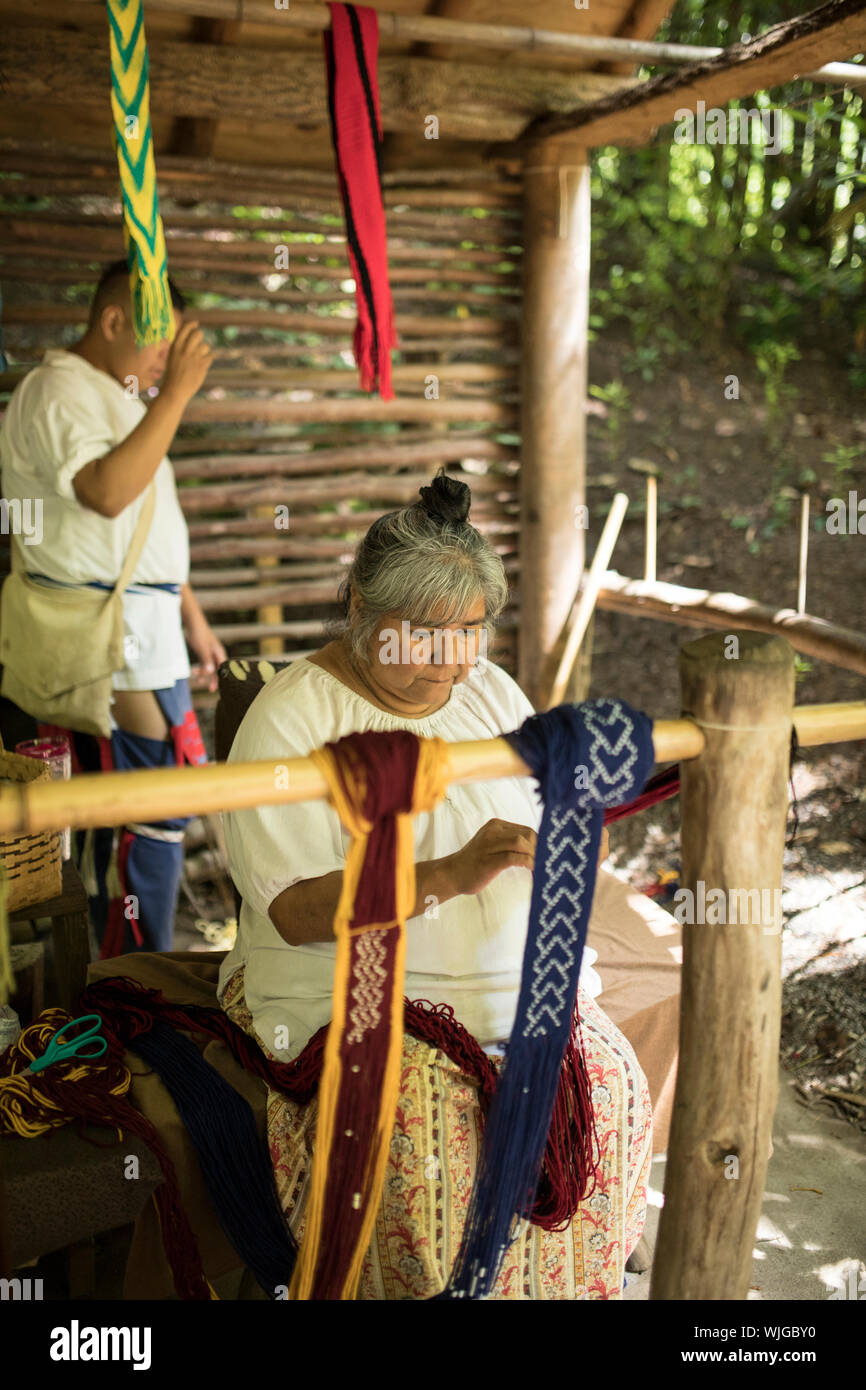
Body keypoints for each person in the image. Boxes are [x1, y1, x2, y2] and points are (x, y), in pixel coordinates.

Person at [218, 470, 653, 1300]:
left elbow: (537, 806)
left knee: (608, 1082)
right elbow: (296, 909)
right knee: (428, 1132)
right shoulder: (294, 718)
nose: (451, 661)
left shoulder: (489, 691)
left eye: (471, 632)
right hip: (348, 995)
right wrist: (450, 875)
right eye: (423, 636)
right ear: (361, 612)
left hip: (506, 989)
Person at [0, 259, 226, 954]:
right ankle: (122, 987)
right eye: (161, 344)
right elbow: (104, 492)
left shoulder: (122, 400)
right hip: (106, 643)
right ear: (112, 321)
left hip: (148, 635)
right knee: (131, 821)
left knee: (158, 810)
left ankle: (143, 975)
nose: (166, 363)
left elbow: (142, 526)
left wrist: (193, 622)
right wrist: (177, 395)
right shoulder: (56, 390)